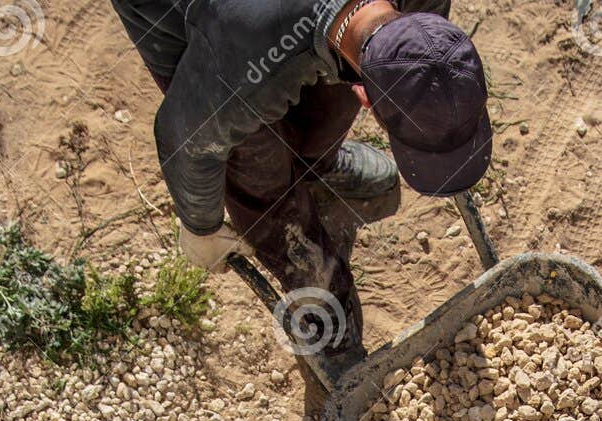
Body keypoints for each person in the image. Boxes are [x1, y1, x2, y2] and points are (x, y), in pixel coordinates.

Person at [111, 0, 491, 355]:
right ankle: (314, 283)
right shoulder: (243, 68)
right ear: (367, 100)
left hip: (280, 32)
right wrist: (201, 226)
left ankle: (314, 167)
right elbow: (188, 138)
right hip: (197, 20)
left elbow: (411, 56)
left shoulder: (420, 7)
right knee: (255, 164)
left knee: (332, 80)